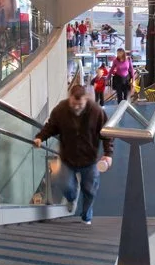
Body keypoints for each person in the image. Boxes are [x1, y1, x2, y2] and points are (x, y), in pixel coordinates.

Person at [33, 85, 113, 225]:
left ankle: (86, 216)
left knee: (90, 190)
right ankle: (71, 198)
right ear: (69, 98)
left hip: (89, 160)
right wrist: (40, 137)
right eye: (73, 104)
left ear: (86, 100)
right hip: (67, 159)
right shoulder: (61, 109)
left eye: (79, 104)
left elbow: (107, 133)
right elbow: (51, 126)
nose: (76, 107)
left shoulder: (96, 111)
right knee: (65, 185)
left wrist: (108, 153)